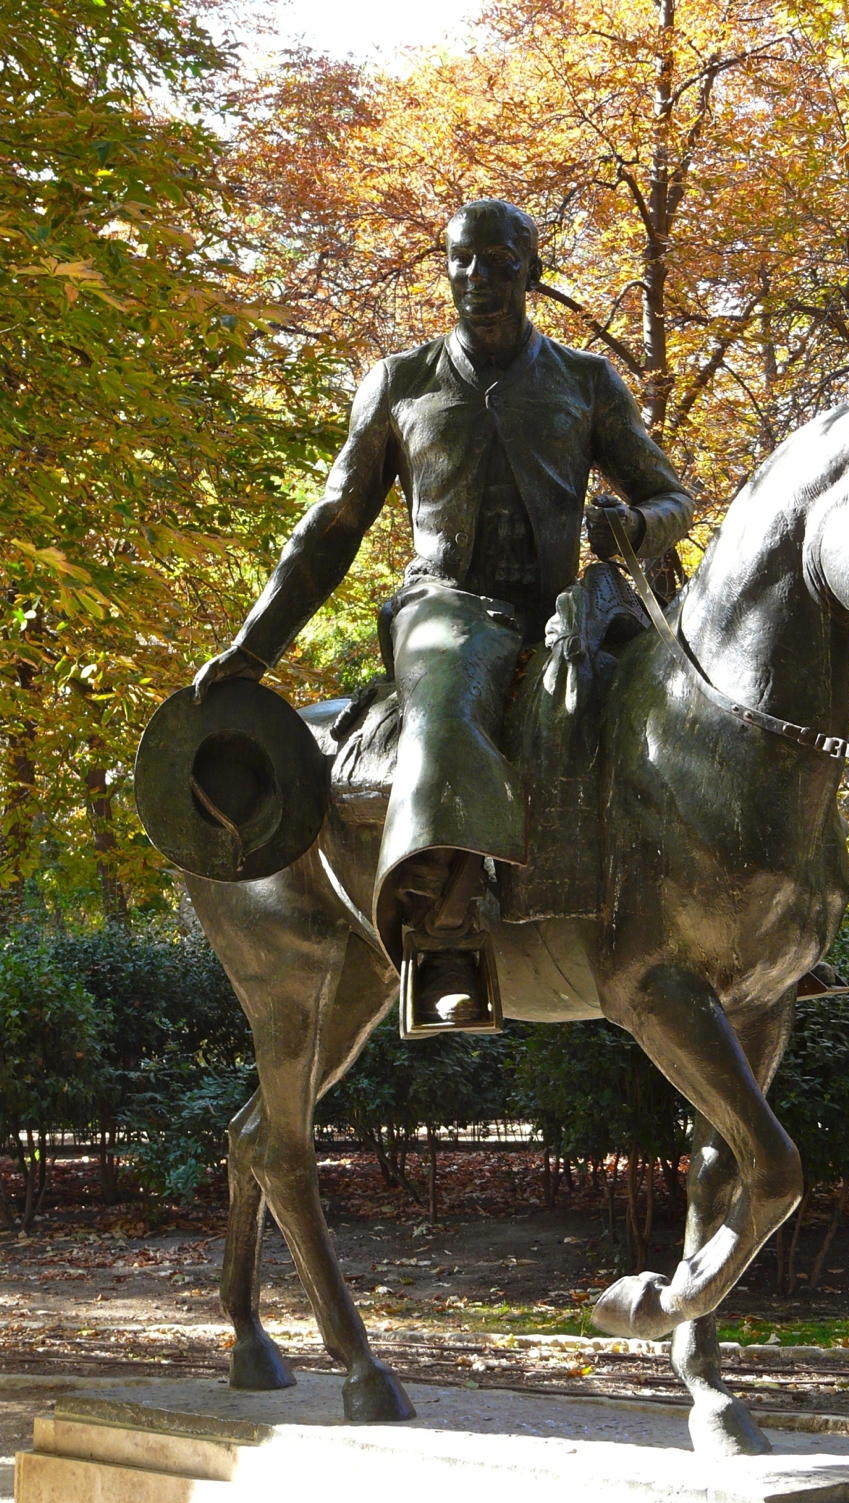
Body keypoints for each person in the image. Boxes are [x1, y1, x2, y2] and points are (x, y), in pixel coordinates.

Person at [193, 198, 695, 1024]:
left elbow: (671, 493)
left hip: (563, 608)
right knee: (452, 690)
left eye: (500, 262)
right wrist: (254, 648)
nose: (479, 277)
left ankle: (724, 914)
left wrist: (638, 524)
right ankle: (446, 933)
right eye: (464, 260)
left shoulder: (584, 382)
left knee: (679, 708)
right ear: (448, 268)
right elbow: (332, 527)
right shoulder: (399, 382)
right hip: (442, 606)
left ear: (531, 273)